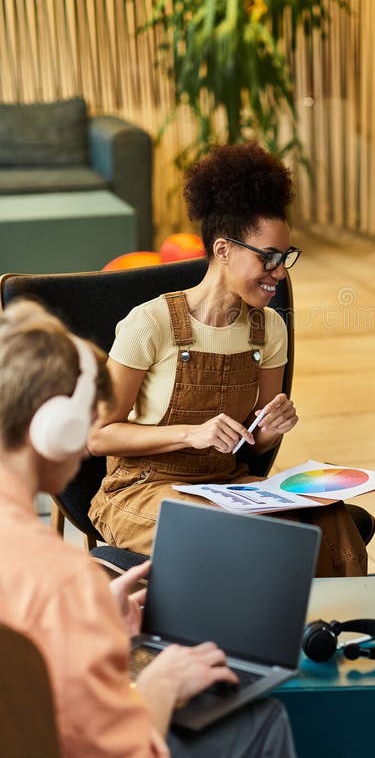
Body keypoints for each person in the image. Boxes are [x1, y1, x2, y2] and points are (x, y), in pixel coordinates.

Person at [0, 299, 297, 757]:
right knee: (262, 719)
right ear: (56, 429)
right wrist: (159, 686)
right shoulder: (62, 579)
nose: (87, 445)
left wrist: (96, 624)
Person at [89, 142, 367, 576]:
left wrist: (271, 430)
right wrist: (191, 435)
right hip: (141, 490)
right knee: (247, 536)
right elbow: (99, 436)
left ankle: (335, 632)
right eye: (268, 258)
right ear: (223, 250)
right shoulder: (151, 323)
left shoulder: (269, 328)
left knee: (328, 517)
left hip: (226, 486)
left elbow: (253, 444)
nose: (280, 271)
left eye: (285, 258)